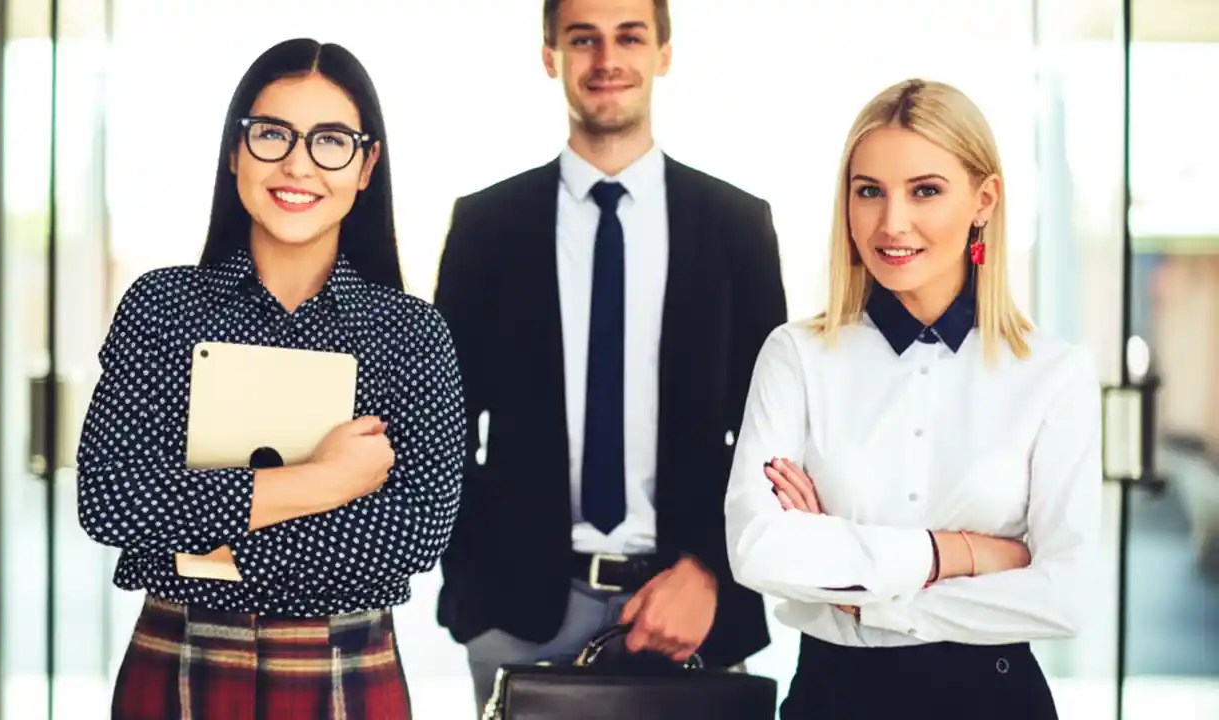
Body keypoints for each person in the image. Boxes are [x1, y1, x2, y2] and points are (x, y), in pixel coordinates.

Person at [75, 38, 463, 720]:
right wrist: (328, 482)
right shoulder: (161, 307)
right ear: (234, 151)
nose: (297, 164)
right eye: (272, 135)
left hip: (345, 669)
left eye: (331, 141)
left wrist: (194, 539)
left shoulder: (411, 332)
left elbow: (416, 533)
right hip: (178, 660)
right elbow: (111, 499)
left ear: (367, 164)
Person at [434, 0, 786, 712]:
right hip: (521, 613)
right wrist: (478, 567)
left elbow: (772, 439)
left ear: (663, 52)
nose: (606, 60)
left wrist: (713, 573)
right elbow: (445, 426)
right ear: (549, 55)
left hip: (694, 614)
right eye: (582, 39)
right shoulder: (486, 226)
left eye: (629, 36)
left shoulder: (737, 226)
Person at [724, 78, 1101, 720]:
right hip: (832, 698)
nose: (892, 223)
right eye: (869, 191)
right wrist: (956, 554)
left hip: (996, 700)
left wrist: (865, 589)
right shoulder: (797, 356)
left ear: (985, 200)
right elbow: (759, 547)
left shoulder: (1054, 373)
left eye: (925, 190)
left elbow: (1066, 596)